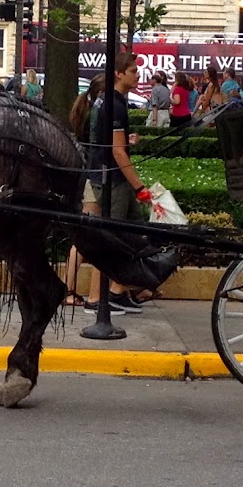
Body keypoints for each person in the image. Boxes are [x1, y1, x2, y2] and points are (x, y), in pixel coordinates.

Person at [68, 54, 150, 314]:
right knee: (108, 238)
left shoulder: (105, 102)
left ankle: (116, 290)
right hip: (109, 179)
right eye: (134, 71)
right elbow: (116, 151)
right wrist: (138, 186)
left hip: (96, 176)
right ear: (119, 73)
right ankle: (98, 298)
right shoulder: (114, 105)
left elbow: (111, 143)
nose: (138, 75)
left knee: (95, 235)